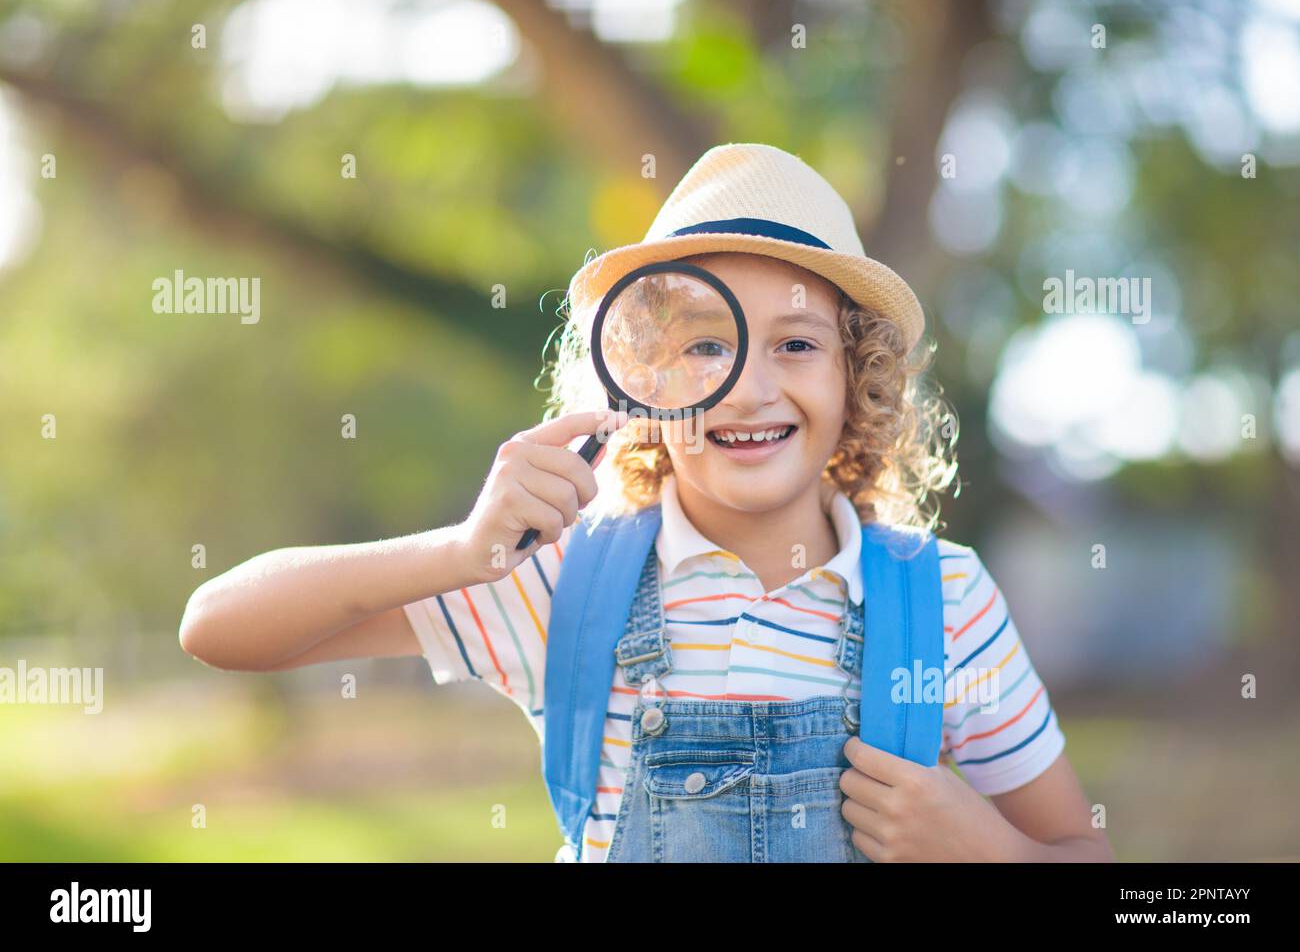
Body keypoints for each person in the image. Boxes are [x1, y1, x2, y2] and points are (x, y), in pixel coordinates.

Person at [179, 142, 1114, 863]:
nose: (748, 389)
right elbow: (218, 627)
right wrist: (462, 553)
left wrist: (991, 850)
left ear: (858, 378)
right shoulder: (559, 582)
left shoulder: (943, 603)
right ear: (639, 384)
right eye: (706, 346)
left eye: (795, 344)